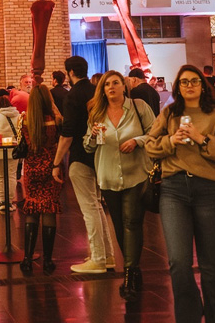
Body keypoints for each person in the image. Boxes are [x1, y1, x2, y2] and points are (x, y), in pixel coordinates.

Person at [146, 65, 215, 323]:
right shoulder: (169, 113)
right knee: (178, 261)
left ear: (201, 85)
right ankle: (189, 313)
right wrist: (171, 142)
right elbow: (150, 146)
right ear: (178, 86)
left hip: (211, 191)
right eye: (184, 82)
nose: (189, 85)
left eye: (194, 81)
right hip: (174, 190)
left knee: (210, 265)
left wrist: (202, 139)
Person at [83, 70, 155, 299]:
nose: (111, 87)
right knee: (119, 225)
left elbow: (154, 133)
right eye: (107, 85)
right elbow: (88, 147)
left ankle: (129, 275)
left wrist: (137, 140)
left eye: (116, 83)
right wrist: (92, 135)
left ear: (124, 86)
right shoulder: (97, 112)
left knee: (132, 222)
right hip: (107, 176)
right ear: (102, 90)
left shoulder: (138, 106)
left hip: (136, 174)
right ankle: (133, 267)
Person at [52, 54, 116, 274]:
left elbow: (67, 134)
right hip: (100, 155)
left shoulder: (73, 97)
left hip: (80, 155)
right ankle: (106, 255)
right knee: (97, 206)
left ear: (70, 73)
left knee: (89, 208)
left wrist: (56, 162)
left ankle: (98, 259)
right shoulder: (96, 92)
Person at [18, 84, 61, 276]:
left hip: (31, 169)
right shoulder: (54, 120)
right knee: (49, 210)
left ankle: (27, 259)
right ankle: (48, 261)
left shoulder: (26, 120)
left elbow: (23, 145)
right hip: (51, 168)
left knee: (32, 209)